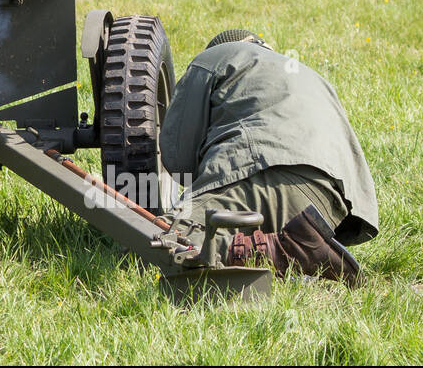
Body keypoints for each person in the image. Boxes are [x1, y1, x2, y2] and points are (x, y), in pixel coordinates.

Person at [159, 29, 378, 285]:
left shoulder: (215, 57)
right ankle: (283, 249)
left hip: (264, 173)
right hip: (326, 209)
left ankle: (286, 250)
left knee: (165, 239)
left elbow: (178, 156)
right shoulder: (311, 76)